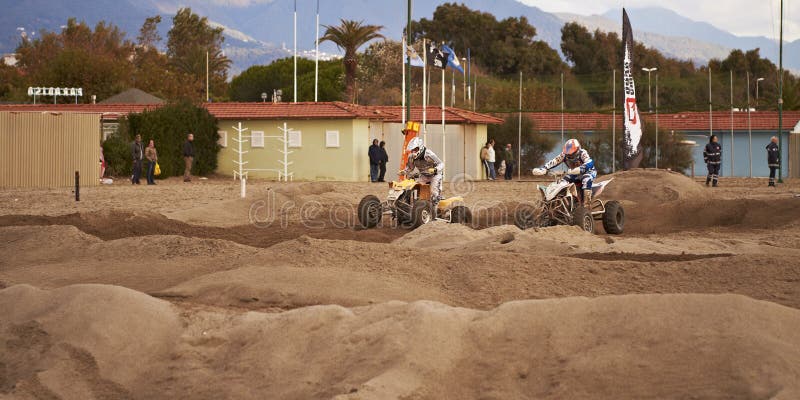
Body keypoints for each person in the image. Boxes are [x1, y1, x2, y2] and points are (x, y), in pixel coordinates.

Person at [532, 138, 596, 207]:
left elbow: (590, 162)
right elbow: (554, 161)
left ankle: (587, 205)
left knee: (586, 179)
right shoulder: (564, 154)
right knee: (563, 182)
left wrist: (581, 168)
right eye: (568, 154)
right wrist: (544, 169)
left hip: (588, 171)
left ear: (578, 149)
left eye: (572, 154)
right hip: (574, 173)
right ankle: (561, 203)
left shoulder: (583, 153)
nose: (570, 156)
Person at [403, 136, 444, 208]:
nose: (413, 152)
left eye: (415, 149)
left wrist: (435, 169)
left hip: (435, 175)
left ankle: (435, 210)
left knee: (433, 192)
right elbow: (410, 168)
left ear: (420, 147)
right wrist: (404, 171)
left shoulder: (429, 154)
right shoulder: (411, 157)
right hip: (424, 175)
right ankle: (413, 206)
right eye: (412, 150)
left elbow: (441, 164)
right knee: (414, 187)